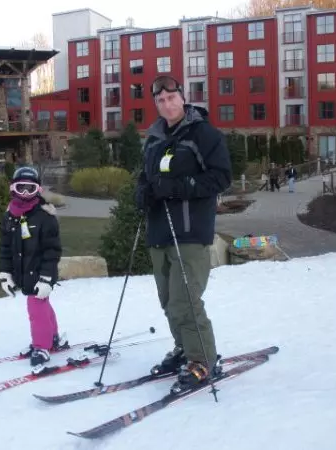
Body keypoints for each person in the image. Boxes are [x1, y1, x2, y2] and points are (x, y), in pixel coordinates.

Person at [136, 75, 232, 391]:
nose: (167, 104)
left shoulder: (204, 134)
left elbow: (220, 178)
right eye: (160, 100)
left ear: (182, 96)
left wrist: (177, 188)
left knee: (185, 300)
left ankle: (203, 360)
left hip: (190, 232)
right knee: (168, 300)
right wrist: (142, 193)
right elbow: (144, 178)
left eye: (171, 98)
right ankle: (184, 348)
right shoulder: (153, 139)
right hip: (159, 232)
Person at [0, 166, 66, 367]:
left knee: (35, 307)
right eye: (21, 188)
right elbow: (5, 248)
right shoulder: (9, 216)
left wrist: (46, 278)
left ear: (38, 190)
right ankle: (52, 338)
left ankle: (41, 346)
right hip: (23, 272)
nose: (26, 193)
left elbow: (52, 251)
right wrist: (5, 274)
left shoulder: (45, 217)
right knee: (42, 304)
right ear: (13, 189)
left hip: (41, 273)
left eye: (30, 188)